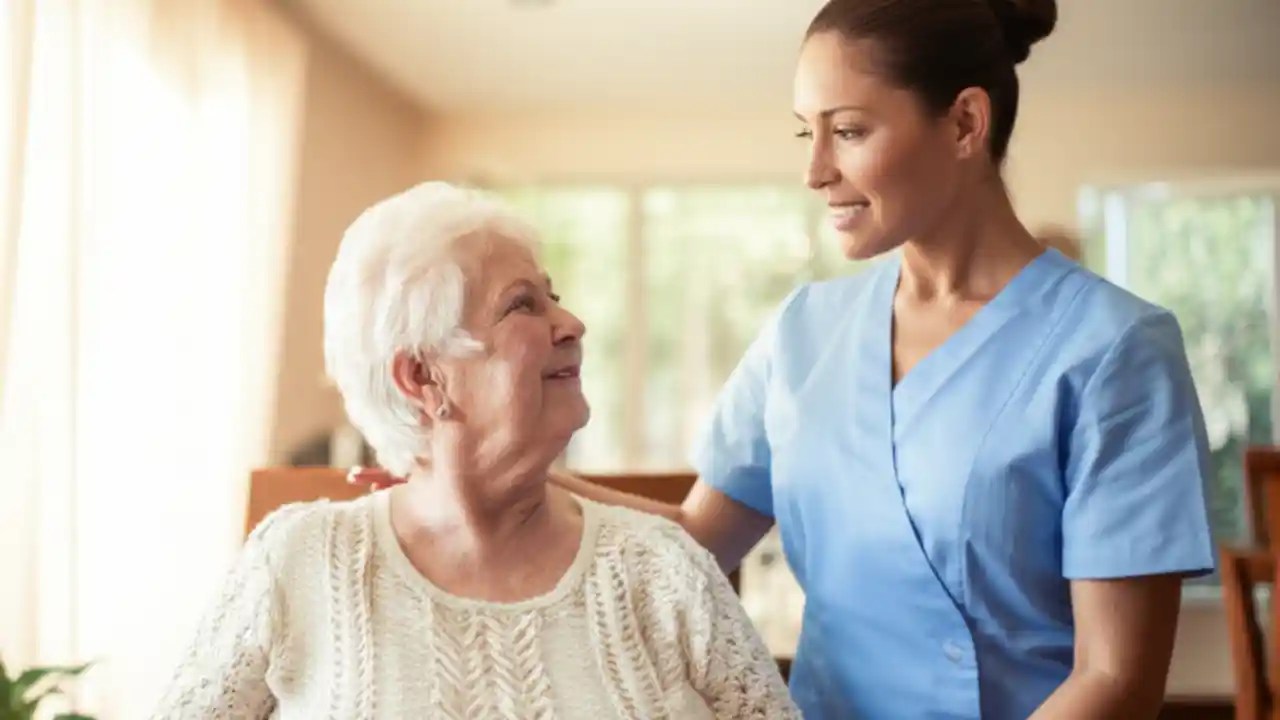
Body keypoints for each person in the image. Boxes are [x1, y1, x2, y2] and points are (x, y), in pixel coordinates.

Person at [354, 0, 1216, 717]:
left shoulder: (1112, 351)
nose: (813, 170)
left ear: (963, 122)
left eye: (847, 131)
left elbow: (1116, 679)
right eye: (805, 132)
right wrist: (465, 475)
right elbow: (697, 540)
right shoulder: (808, 329)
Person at [152, 182, 799, 719]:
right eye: (523, 304)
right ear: (422, 378)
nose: (572, 325)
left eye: (556, 297)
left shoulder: (663, 568)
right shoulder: (298, 559)